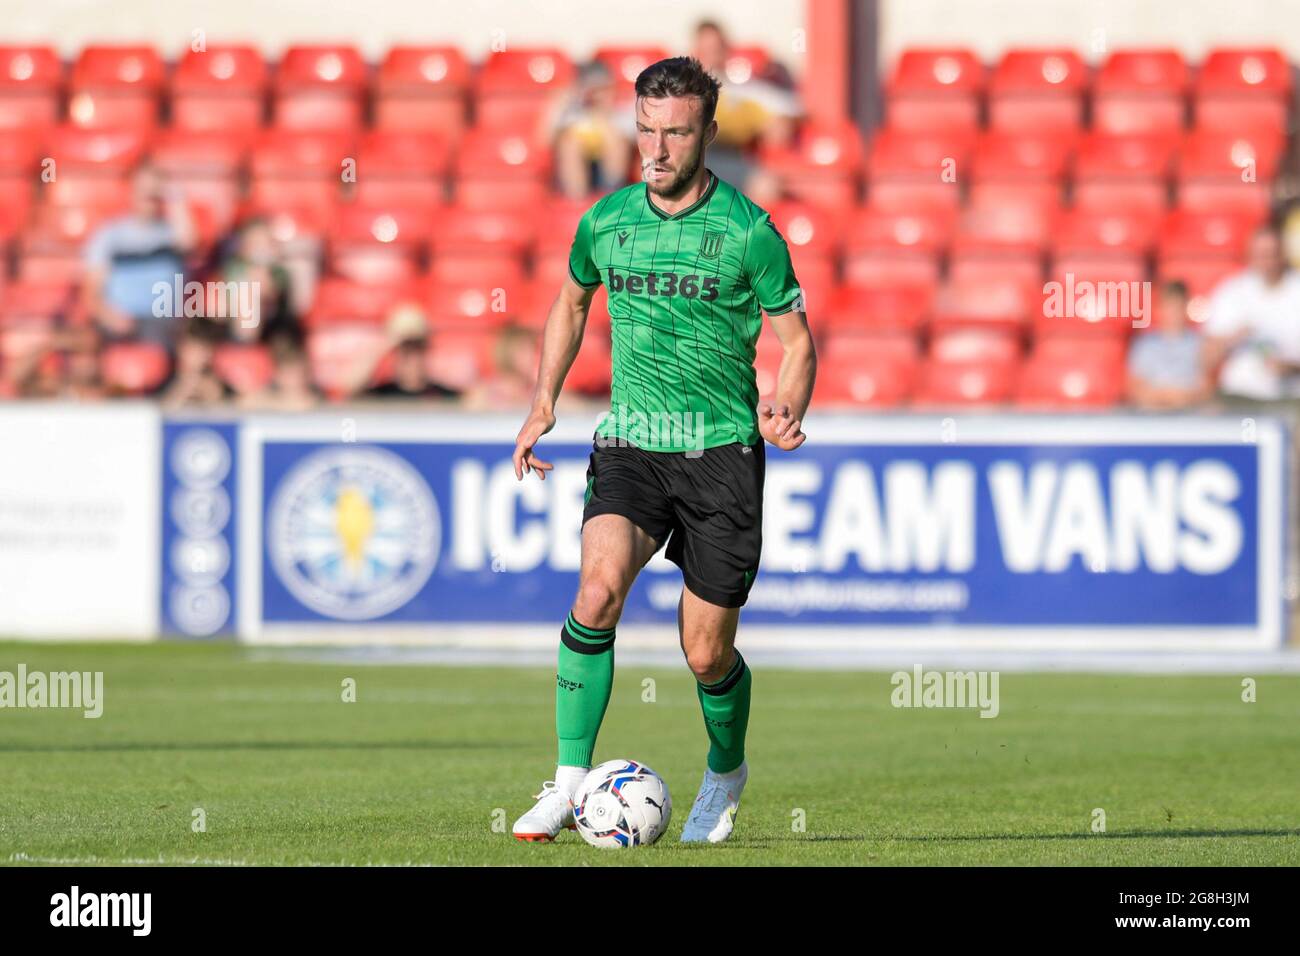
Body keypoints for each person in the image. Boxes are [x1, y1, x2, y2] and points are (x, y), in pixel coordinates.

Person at [509, 56, 816, 845]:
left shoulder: (749, 231)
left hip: (720, 454)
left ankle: (725, 772)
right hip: (632, 445)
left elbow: (797, 343)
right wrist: (544, 397)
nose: (657, 148)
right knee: (596, 591)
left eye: (676, 132)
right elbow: (572, 299)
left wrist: (788, 405)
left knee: (706, 652)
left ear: (710, 132)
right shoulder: (606, 220)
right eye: (645, 130)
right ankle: (569, 782)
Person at [82, 164, 195, 350]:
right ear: (131, 191)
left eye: (153, 191)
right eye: (142, 189)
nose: (148, 197)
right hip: (119, 319)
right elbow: (92, 291)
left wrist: (175, 197)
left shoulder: (171, 233)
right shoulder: (109, 235)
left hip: (162, 321)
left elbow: (189, 243)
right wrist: (110, 316)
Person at [1203, 223, 1300, 401]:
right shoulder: (1231, 292)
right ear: (1249, 256)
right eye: (1260, 255)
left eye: (1272, 254)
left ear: (1283, 255)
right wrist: (1232, 339)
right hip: (1239, 397)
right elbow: (1206, 359)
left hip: (1291, 398)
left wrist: (1291, 367)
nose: (1267, 262)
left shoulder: (1296, 290)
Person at [545, 61, 635, 200]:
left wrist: (604, 117)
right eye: (594, 91)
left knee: (614, 139)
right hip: (573, 171)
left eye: (604, 90)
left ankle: (610, 201)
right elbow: (544, 140)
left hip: (611, 174)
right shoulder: (571, 114)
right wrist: (559, 103)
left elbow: (637, 141)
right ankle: (576, 201)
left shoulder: (622, 114)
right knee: (569, 143)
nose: (598, 96)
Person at [1126, 280, 1213, 410]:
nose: (1173, 313)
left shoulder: (1200, 344)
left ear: (1185, 308)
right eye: (1169, 306)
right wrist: (1166, 398)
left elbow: (1205, 389)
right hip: (1152, 416)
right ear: (1160, 308)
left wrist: (1182, 398)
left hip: (1189, 416)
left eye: (1177, 307)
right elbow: (1136, 389)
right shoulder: (1144, 345)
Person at [462, 323, 540, 409]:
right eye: (523, 350)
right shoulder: (484, 391)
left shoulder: (539, 390)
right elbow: (468, 416)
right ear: (507, 353)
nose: (531, 355)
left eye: (534, 348)